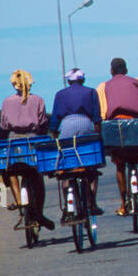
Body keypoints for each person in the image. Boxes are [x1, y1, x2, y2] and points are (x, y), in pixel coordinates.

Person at [96, 57, 138, 215]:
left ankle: (123, 204)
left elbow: (102, 112)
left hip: (117, 128)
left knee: (119, 164)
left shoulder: (103, 86)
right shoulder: (137, 81)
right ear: (126, 70)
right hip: (137, 124)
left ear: (111, 71)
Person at [0, 69, 54, 230]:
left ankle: (17, 200)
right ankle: (40, 214)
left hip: (13, 141)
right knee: (36, 176)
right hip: (33, 140)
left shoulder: (6, 102)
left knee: (11, 171)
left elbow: (3, 125)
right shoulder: (38, 100)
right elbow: (43, 122)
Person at [50, 68, 103, 217]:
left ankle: (68, 205)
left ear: (68, 81)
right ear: (83, 80)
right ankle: (92, 202)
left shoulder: (60, 94)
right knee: (91, 166)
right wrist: (97, 137)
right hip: (86, 124)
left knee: (67, 166)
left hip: (66, 126)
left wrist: (55, 136)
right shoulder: (91, 92)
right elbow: (97, 118)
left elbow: (54, 120)